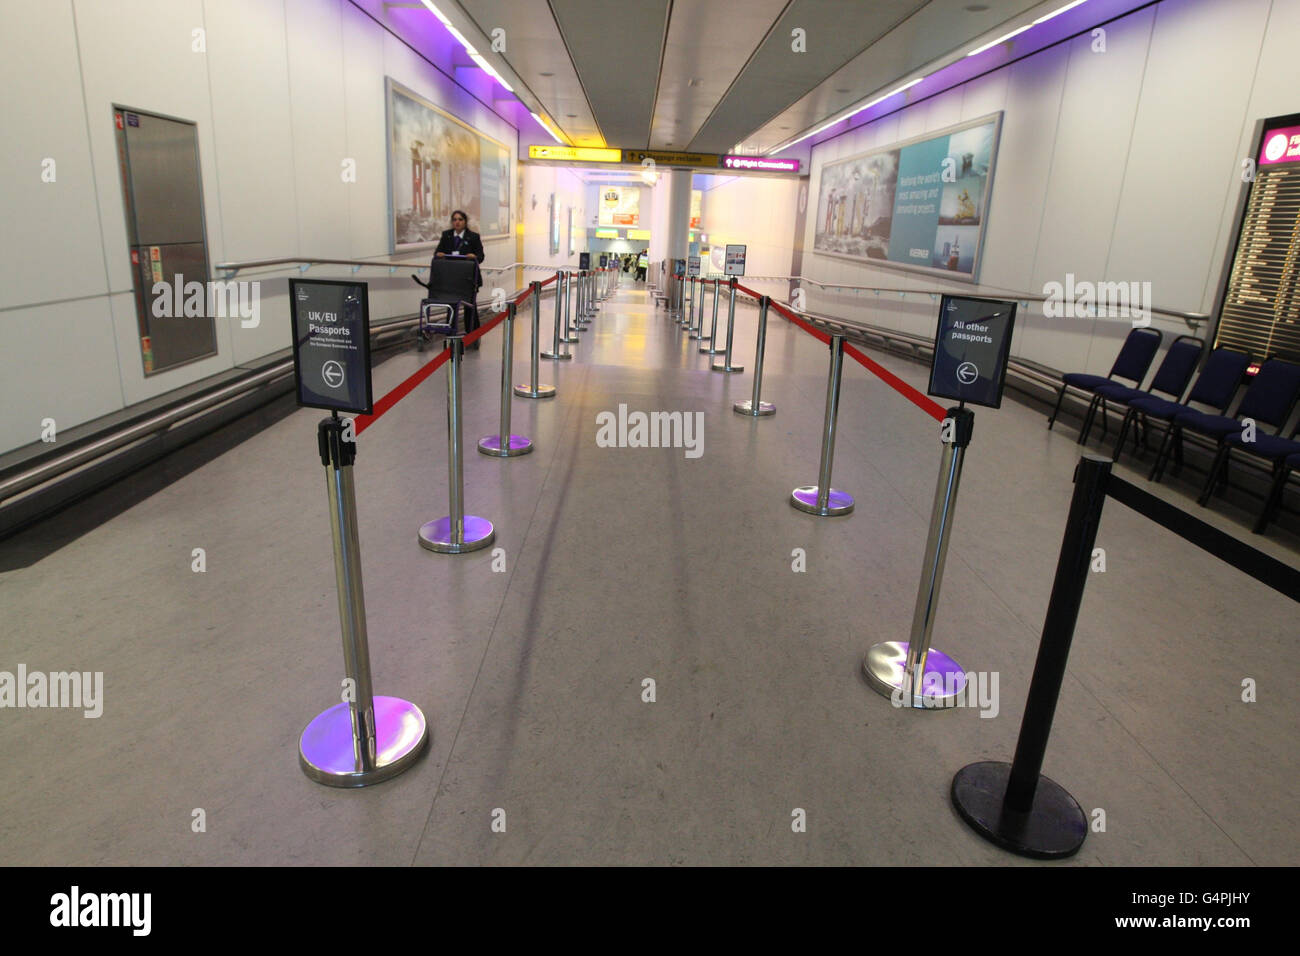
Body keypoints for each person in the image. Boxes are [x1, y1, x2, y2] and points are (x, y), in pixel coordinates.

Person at [433, 210, 485, 347]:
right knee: (451, 305)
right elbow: (437, 253)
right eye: (455, 219)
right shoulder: (447, 236)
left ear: (465, 222)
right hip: (451, 279)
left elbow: (481, 256)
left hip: (468, 279)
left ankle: (473, 334)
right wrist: (440, 255)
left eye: (460, 219)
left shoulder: (473, 237)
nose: (457, 222)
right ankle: (450, 334)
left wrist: (474, 257)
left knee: (469, 306)